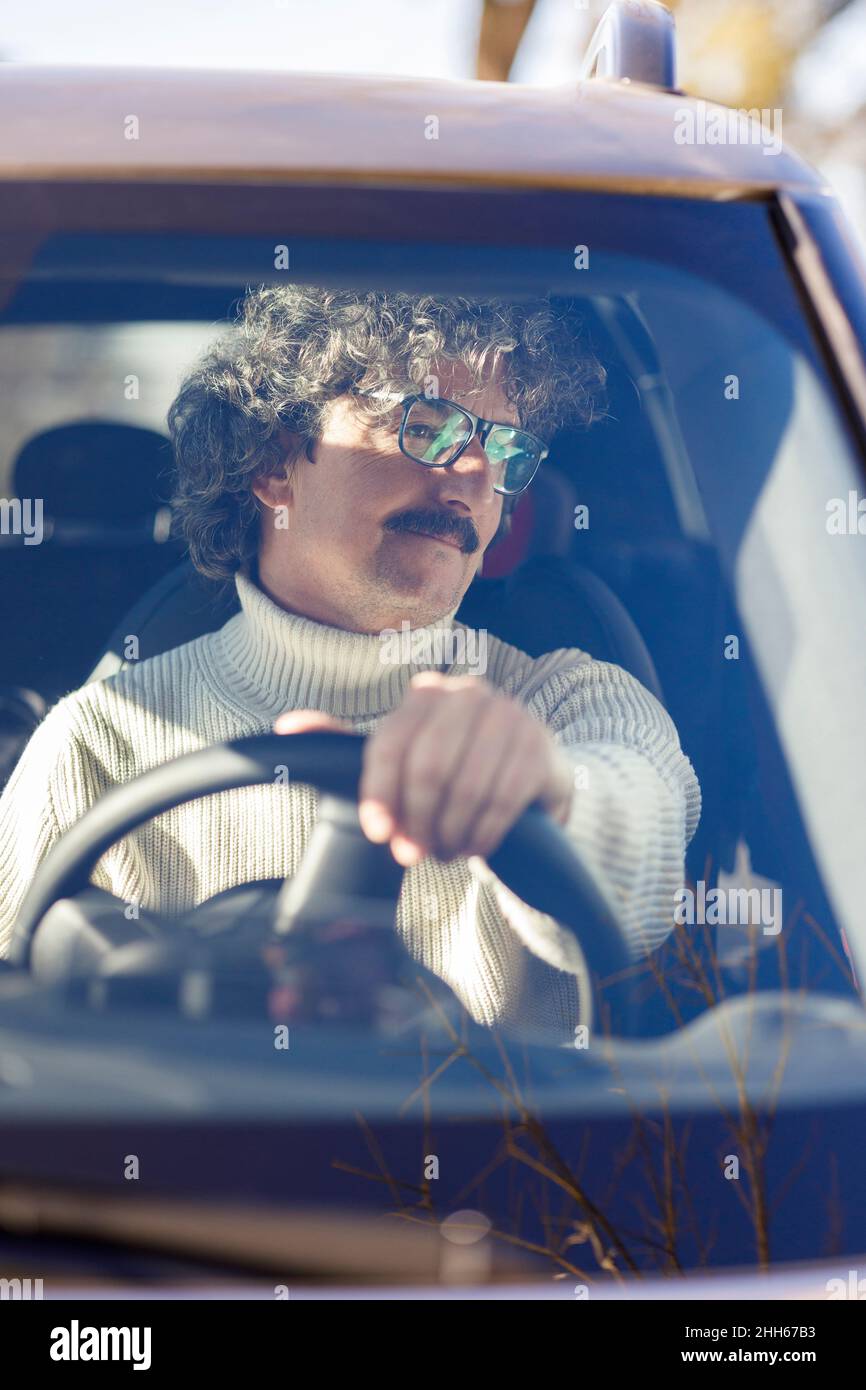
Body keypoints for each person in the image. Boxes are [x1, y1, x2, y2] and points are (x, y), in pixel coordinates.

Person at [0, 286, 700, 1040]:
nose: (472, 479)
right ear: (273, 462)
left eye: (504, 451)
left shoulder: (570, 701)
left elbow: (650, 848)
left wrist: (552, 790)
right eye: (426, 426)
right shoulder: (96, 744)